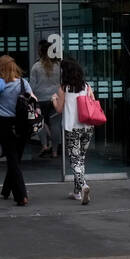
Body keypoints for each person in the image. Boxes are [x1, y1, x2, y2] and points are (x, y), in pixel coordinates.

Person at [0, 55, 31, 206]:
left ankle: (21, 196)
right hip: (22, 124)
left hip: (5, 124)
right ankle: (7, 190)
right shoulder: (23, 83)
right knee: (15, 158)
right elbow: (33, 100)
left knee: (13, 160)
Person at [53, 57, 93, 204]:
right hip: (87, 127)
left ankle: (83, 186)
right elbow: (93, 103)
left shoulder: (64, 88)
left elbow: (58, 109)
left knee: (75, 160)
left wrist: (54, 99)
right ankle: (77, 192)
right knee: (81, 158)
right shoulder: (87, 86)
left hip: (72, 128)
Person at [30, 40, 62, 159]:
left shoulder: (36, 67)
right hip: (56, 99)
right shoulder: (59, 66)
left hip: (40, 99)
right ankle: (54, 152)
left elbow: (32, 85)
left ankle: (44, 145)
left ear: (41, 53)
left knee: (39, 122)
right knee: (55, 125)